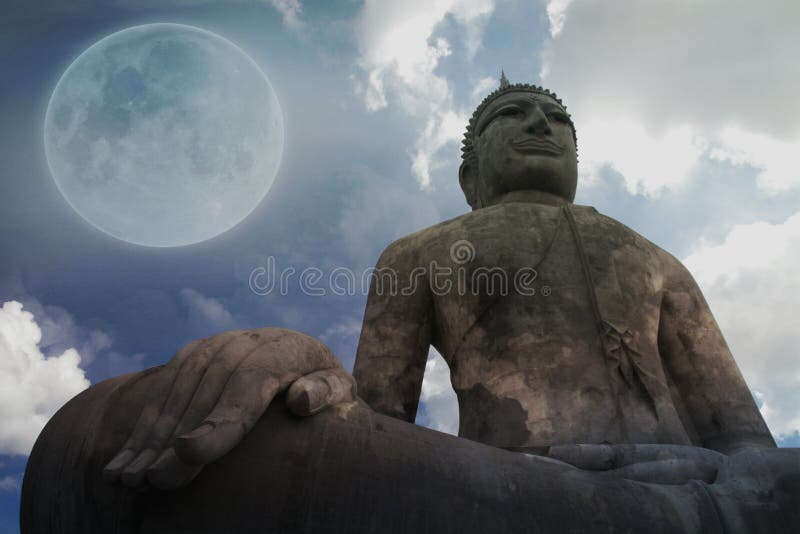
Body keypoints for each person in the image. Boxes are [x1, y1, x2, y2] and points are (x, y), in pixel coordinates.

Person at [23, 78, 796, 534]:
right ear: (470, 174)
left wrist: (744, 489)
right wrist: (303, 369)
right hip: (520, 491)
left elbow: (745, 441)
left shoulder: (657, 261)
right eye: (513, 115)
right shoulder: (420, 251)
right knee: (99, 442)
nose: (541, 124)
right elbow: (374, 419)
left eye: (556, 119)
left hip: (711, 498)